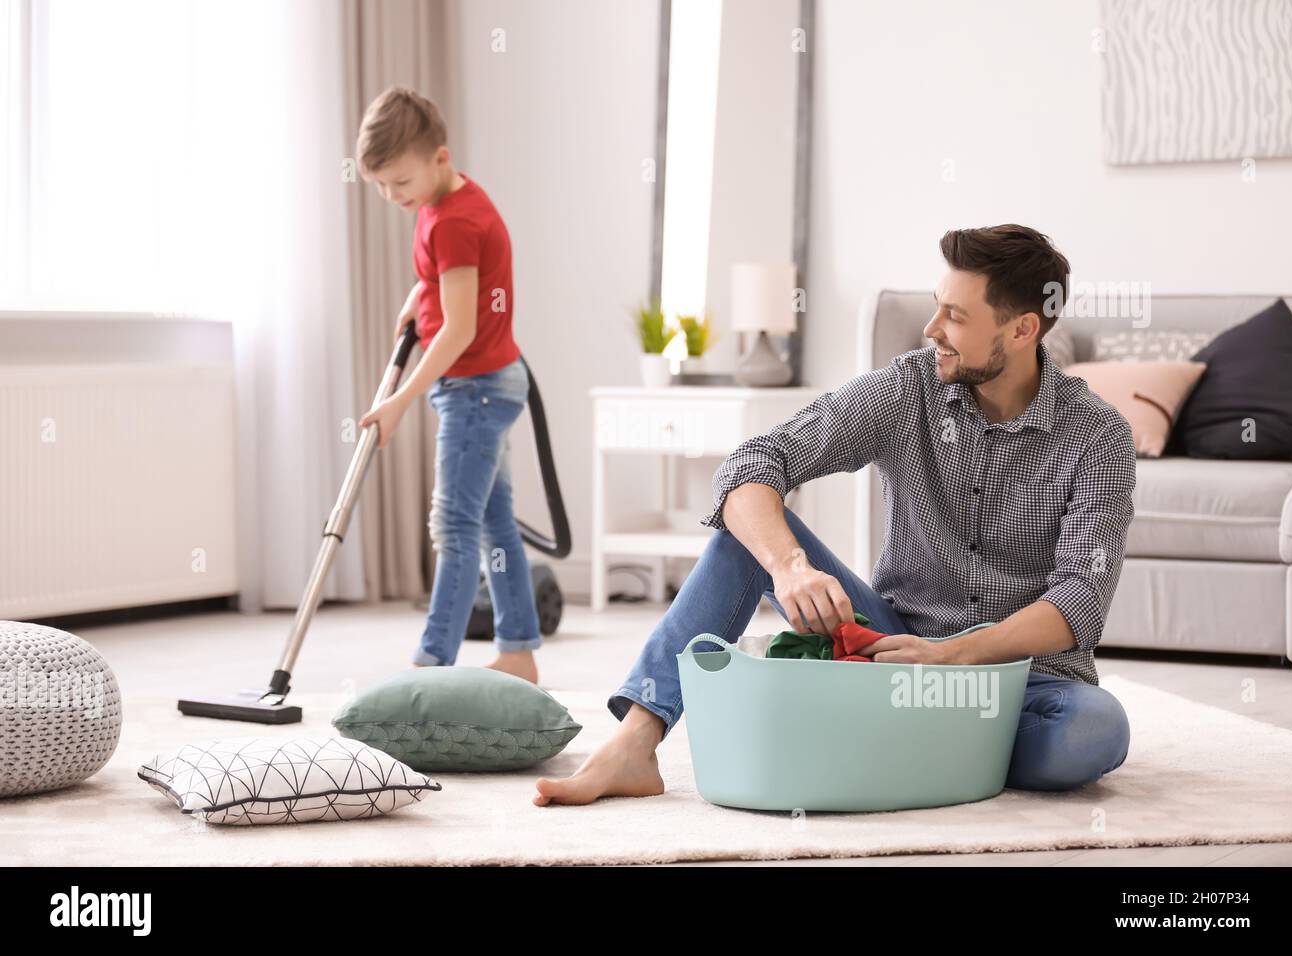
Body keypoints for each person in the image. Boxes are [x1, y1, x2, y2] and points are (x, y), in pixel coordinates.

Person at [535, 224, 1136, 805]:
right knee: (743, 540)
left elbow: (1081, 595)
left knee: (1092, 732)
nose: (932, 329)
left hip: (1022, 678)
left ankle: (891, 733)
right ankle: (635, 744)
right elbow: (753, 464)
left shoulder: (1098, 434)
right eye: (937, 307)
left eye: (956, 315)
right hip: (892, 649)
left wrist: (952, 657)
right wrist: (790, 566)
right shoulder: (908, 389)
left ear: (1023, 328)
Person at [355, 86, 541, 683]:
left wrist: (398, 401)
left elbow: (459, 330)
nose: (392, 197)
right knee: (493, 523)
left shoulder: (455, 221)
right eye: (381, 186)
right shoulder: (452, 198)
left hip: (476, 388)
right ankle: (518, 651)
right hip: (490, 380)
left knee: (454, 527)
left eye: (401, 183)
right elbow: (460, 284)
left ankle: (432, 663)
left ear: (440, 156)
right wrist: (422, 292)